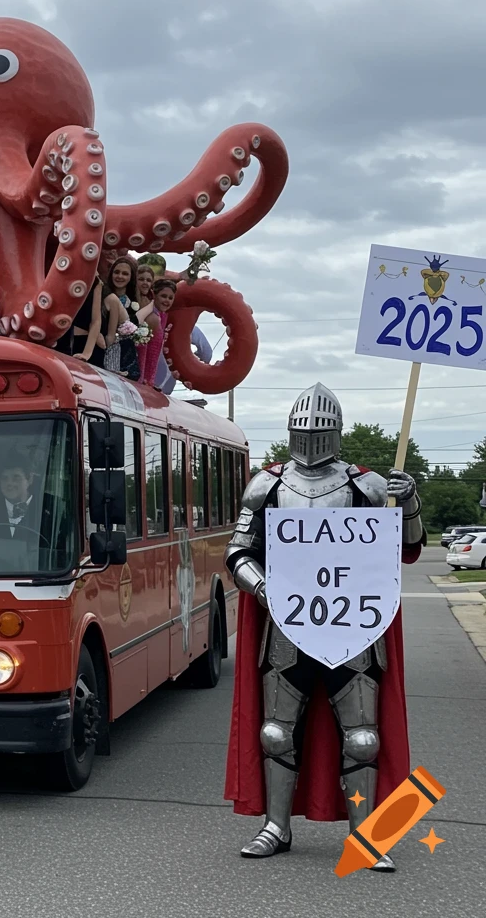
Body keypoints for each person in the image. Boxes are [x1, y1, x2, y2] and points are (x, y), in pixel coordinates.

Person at [223, 383, 424, 869]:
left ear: (335, 431)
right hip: (286, 631)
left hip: (352, 632)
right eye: (303, 431)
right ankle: (276, 825)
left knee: (362, 738)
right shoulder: (266, 485)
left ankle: (366, 836)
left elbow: (405, 548)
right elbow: (238, 552)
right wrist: (266, 588)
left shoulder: (367, 486)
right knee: (276, 732)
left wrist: (411, 502)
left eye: (319, 431)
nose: (310, 440)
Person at [0, 458, 54, 544]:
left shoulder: (49, 506)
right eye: (4, 478)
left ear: (30, 479)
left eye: (16, 478)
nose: (10, 483)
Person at [139, 278, 176, 389]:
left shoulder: (163, 315)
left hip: (150, 378)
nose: (167, 301)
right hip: (141, 377)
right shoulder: (150, 315)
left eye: (170, 298)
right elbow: (142, 347)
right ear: (154, 295)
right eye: (163, 296)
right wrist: (142, 378)